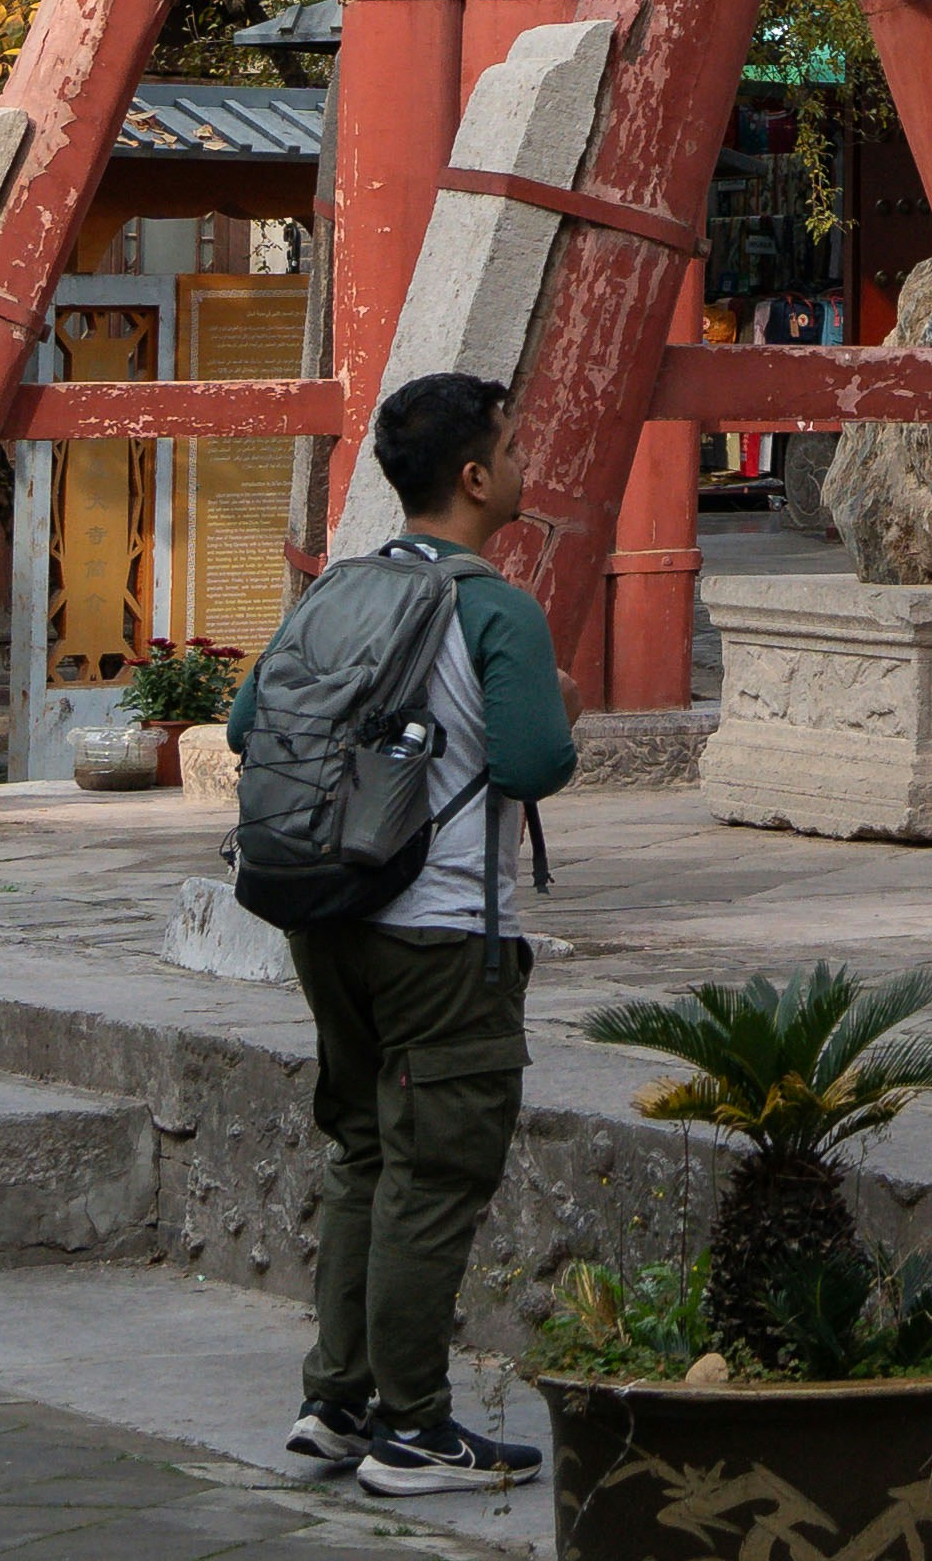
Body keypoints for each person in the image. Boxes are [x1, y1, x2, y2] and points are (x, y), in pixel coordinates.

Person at [283, 368, 579, 1498]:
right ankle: (412, 1428)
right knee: (435, 1168)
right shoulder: (492, 603)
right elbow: (533, 762)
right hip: (443, 930)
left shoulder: (335, 589)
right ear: (472, 475)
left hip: (331, 917)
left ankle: (336, 1402)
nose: (523, 465)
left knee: (362, 1149)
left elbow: (256, 719)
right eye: (510, 446)